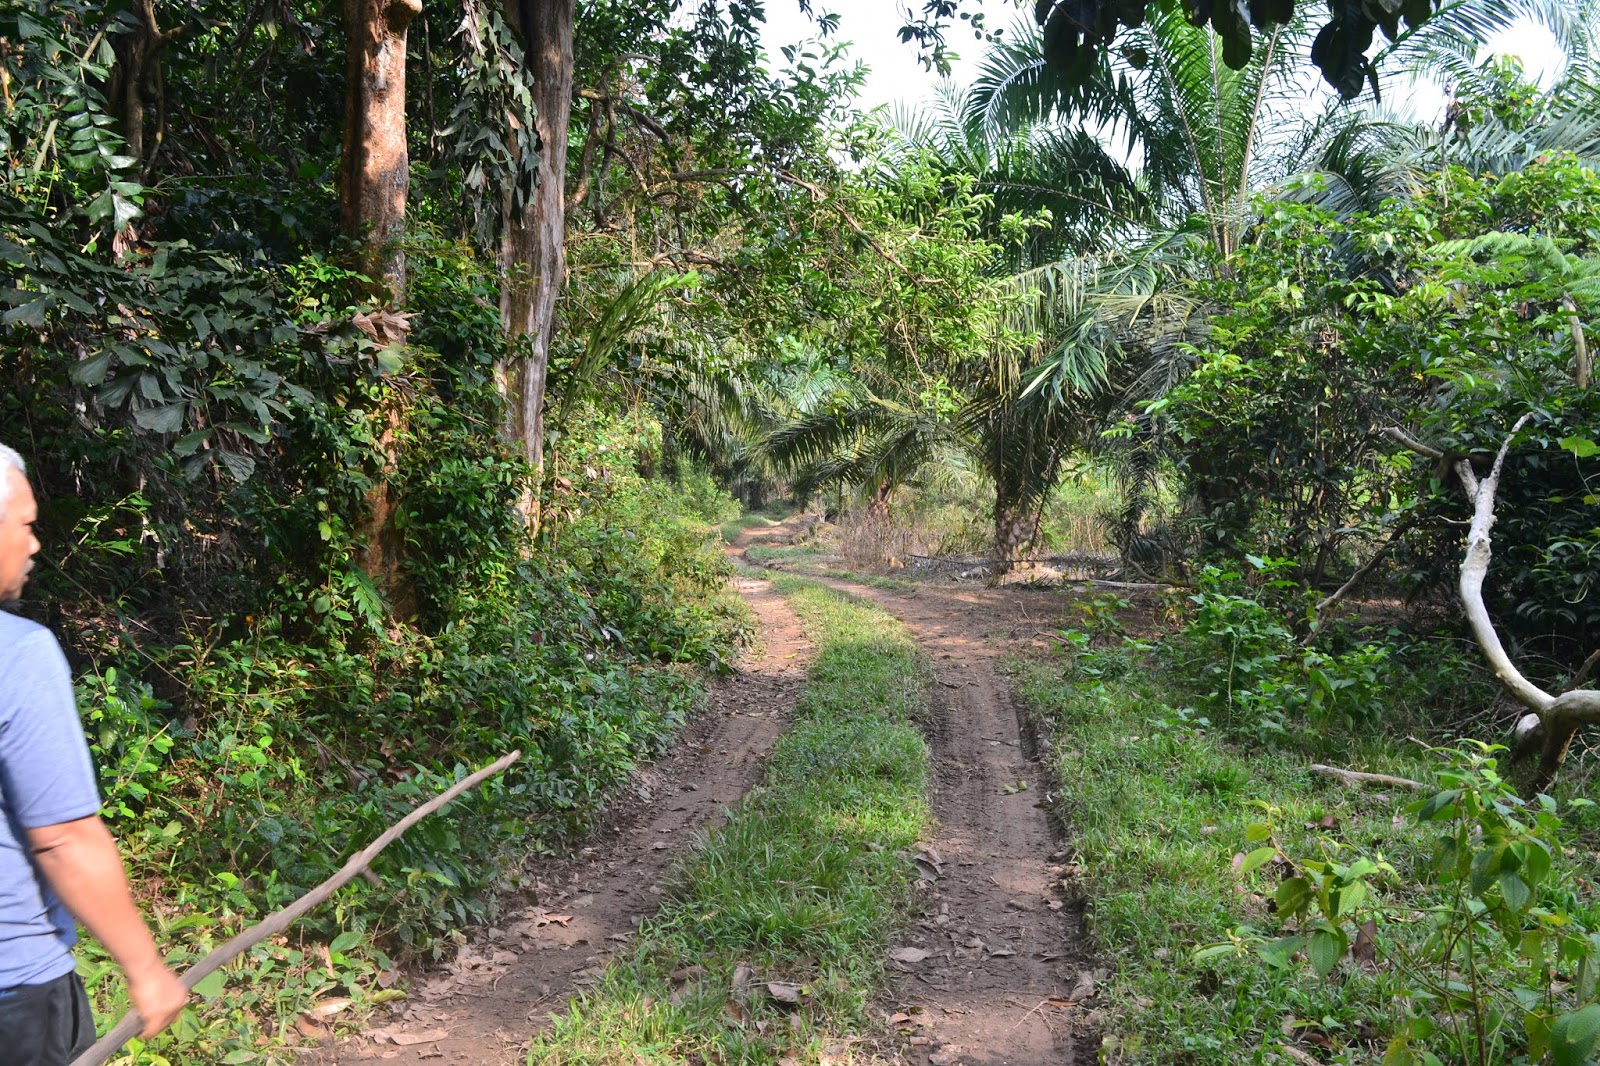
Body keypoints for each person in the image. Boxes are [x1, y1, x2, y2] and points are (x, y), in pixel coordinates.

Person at [0, 444, 187, 1064]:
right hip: (18, 997)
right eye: (24, 526)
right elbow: (65, 837)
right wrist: (146, 967)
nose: (33, 546)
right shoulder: (19, 655)